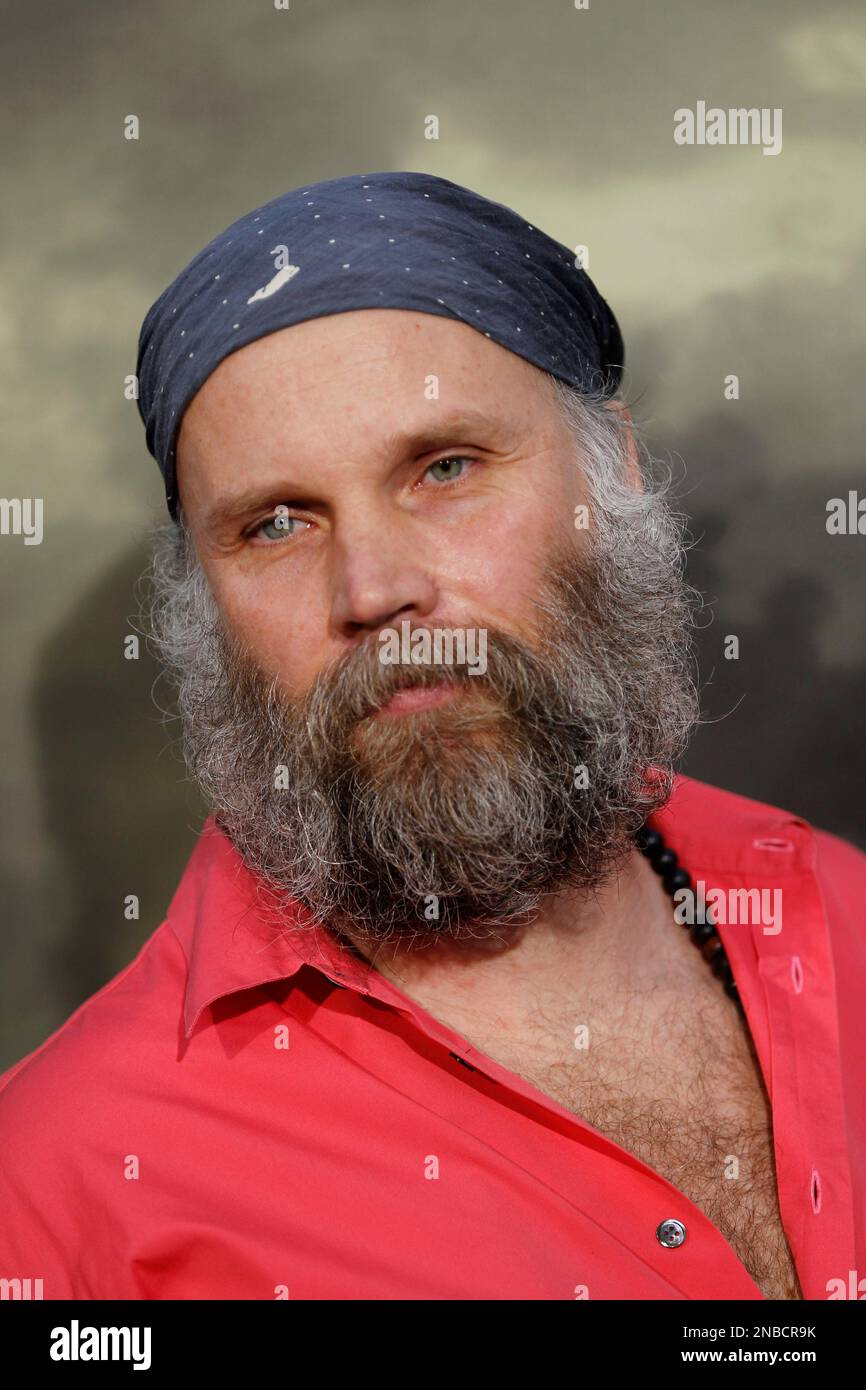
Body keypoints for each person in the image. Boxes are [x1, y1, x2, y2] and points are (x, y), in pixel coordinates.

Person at [1, 172, 863, 1302]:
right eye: (275, 524)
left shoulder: (830, 900)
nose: (374, 589)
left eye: (444, 468)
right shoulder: (58, 1192)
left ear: (616, 474)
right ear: (204, 606)